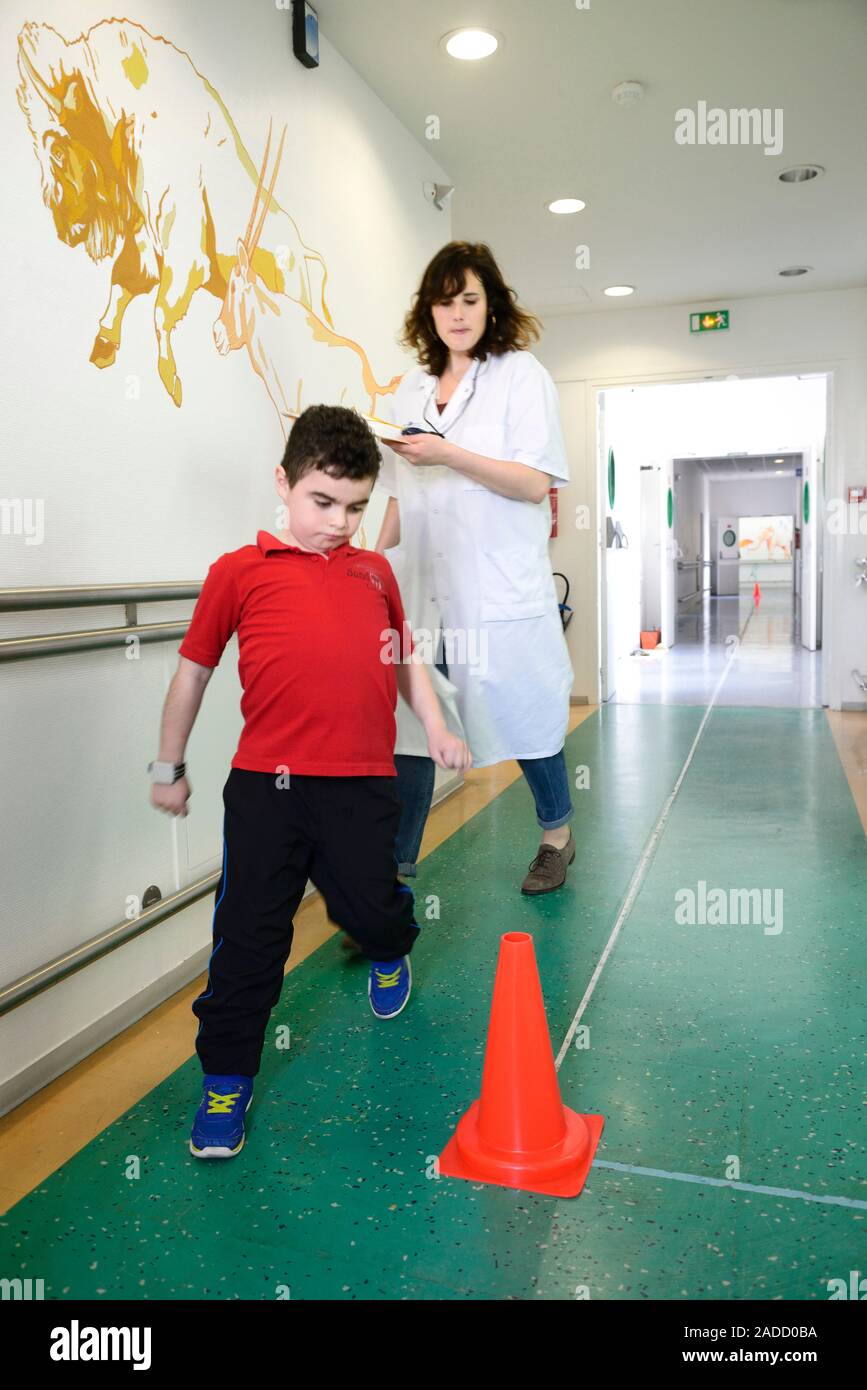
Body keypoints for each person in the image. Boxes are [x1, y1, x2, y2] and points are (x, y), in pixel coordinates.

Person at [148, 405, 470, 1158]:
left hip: (361, 784)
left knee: (372, 910)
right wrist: (169, 765)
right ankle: (225, 1078)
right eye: (322, 502)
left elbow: (404, 661)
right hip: (266, 789)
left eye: (356, 507)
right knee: (247, 940)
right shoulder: (238, 572)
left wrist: (438, 726)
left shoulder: (374, 570)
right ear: (284, 484)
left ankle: (392, 947)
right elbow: (192, 674)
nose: (338, 522)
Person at [375, 241, 576, 895]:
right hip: (425, 586)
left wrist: (448, 453)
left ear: (491, 306)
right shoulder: (410, 386)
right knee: (411, 721)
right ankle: (394, 876)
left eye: (470, 299)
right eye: (445, 299)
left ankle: (555, 836)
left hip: (495, 586)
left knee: (527, 710)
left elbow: (530, 482)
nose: (457, 313)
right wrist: (372, 564)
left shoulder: (521, 374)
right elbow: (404, 490)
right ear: (427, 309)